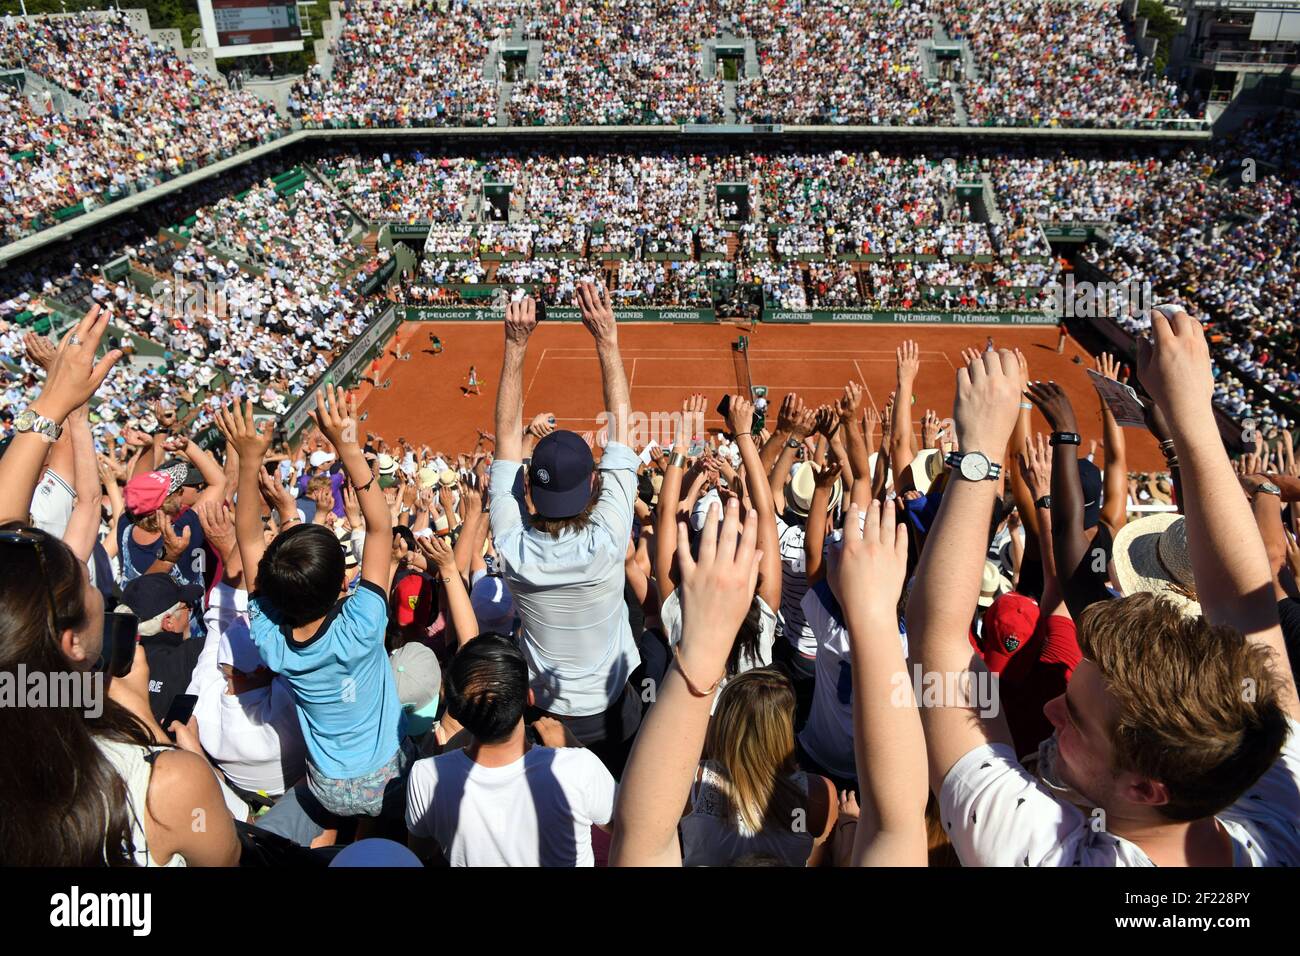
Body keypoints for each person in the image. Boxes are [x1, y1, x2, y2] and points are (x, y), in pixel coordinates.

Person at [907, 321, 1299, 867]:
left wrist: (979, 454)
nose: (1050, 709)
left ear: (1145, 788)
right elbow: (1243, 605)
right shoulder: (1276, 817)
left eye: (1073, 718)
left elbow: (938, 645)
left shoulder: (1040, 851)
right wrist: (1189, 414)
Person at [218, 386, 406, 823]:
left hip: (326, 788)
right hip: (389, 780)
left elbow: (246, 537)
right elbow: (381, 528)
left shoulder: (268, 637)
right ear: (344, 582)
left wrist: (247, 464)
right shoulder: (361, 623)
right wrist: (347, 444)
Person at [488, 286, 643, 776]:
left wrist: (515, 346)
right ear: (594, 483)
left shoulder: (512, 548)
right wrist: (607, 340)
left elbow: (508, 441)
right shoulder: (611, 537)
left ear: (528, 490)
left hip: (547, 720)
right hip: (615, 710)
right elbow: (621, 429)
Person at [405, 634, 617, 866]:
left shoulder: (425, 777)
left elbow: (423, 850)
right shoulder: (579, 768)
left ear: (454, 711)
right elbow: (620, 825)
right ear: (529, 697)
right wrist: (572, 746)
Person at [118, 573, 206, 725]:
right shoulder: (191, 654)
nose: (190, 612)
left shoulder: (111, 662)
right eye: (187, 607)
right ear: (168, 622)